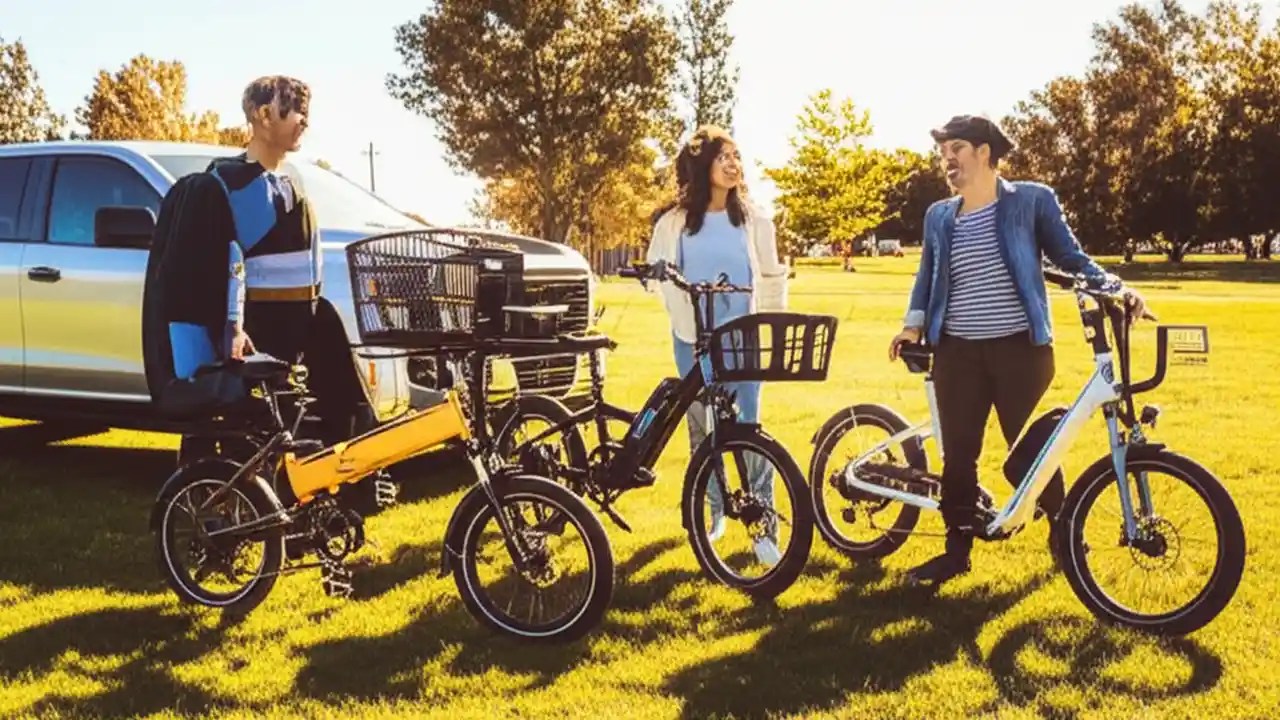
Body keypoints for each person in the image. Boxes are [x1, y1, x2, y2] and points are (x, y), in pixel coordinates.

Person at [888, 114, 1148, 586]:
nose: (948, 161)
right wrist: (912, 327)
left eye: (957, 150)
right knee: (960, 454)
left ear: (985, 153)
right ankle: (956, 550)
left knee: (1034, 450)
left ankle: (1064, 533)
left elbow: (1070, 256)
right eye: (943, 153)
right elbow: (926, 276)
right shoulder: (939, 216)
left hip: (1019, 350)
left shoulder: (1031, 201)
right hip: (957, 352)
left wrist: (1116, 287)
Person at [151, 75, 370, 493]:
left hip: (300, 323)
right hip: (258, 328)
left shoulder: (296, 182)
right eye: (294, 108)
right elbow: (225, 260)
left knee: (338, 409)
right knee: (247, 430)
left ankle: (338, 496)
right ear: (261, 114)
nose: (304, 120)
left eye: (306, 110)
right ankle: (215, 510)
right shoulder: (226, 184)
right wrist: (232, 325)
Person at [646, 125, 790, 566]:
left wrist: (770, 323)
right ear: (702, 164)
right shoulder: (674, 224)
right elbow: (657, 274)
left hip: (742, 339)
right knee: (702, 429)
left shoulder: (753, 220)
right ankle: (713, 512)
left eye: (736, 156)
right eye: (723, 156)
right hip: (693, 339)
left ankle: (763, 522)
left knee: (749, 426)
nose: (733, 164)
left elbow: (771, 276)